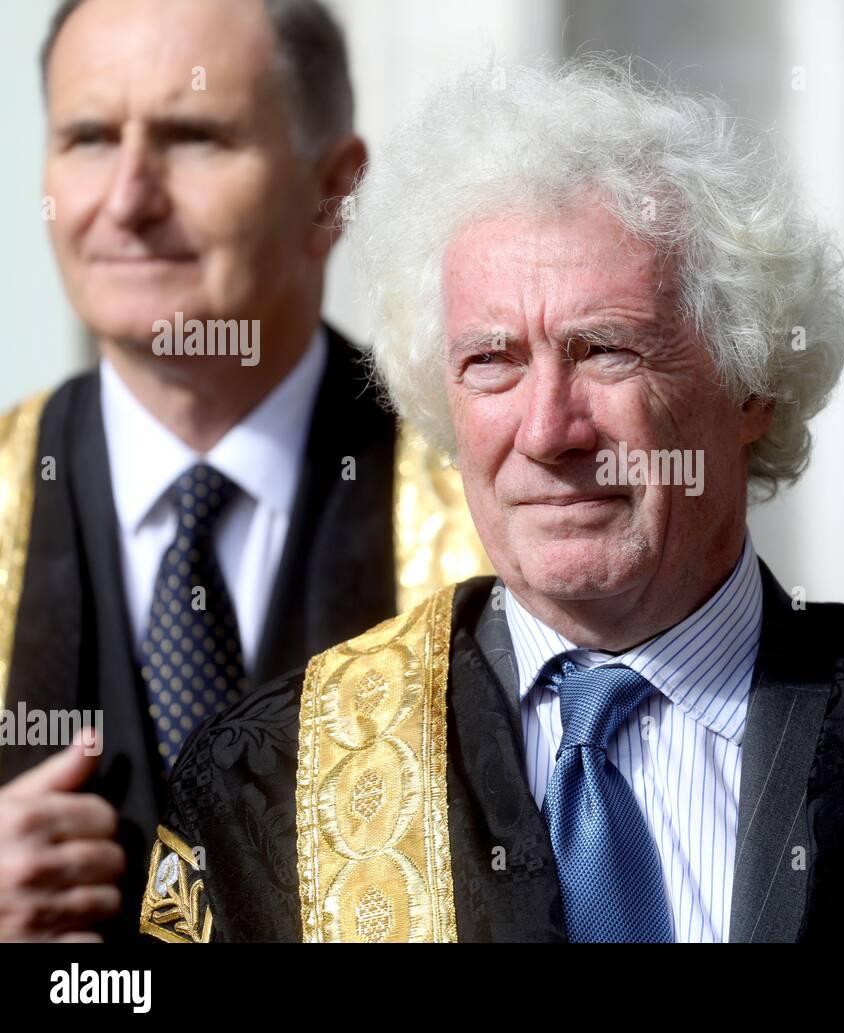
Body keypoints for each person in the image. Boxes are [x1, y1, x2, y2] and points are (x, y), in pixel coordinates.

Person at [142, 57, 844, 943]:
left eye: (606, 351)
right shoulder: (267, 784)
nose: (547, 431)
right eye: (492, 362)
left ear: (750, 383)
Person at [0, 0, 488, 943]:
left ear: (332, 192)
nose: (128, 201)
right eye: (90, 138)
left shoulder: (493, 516)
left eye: (193, 138)